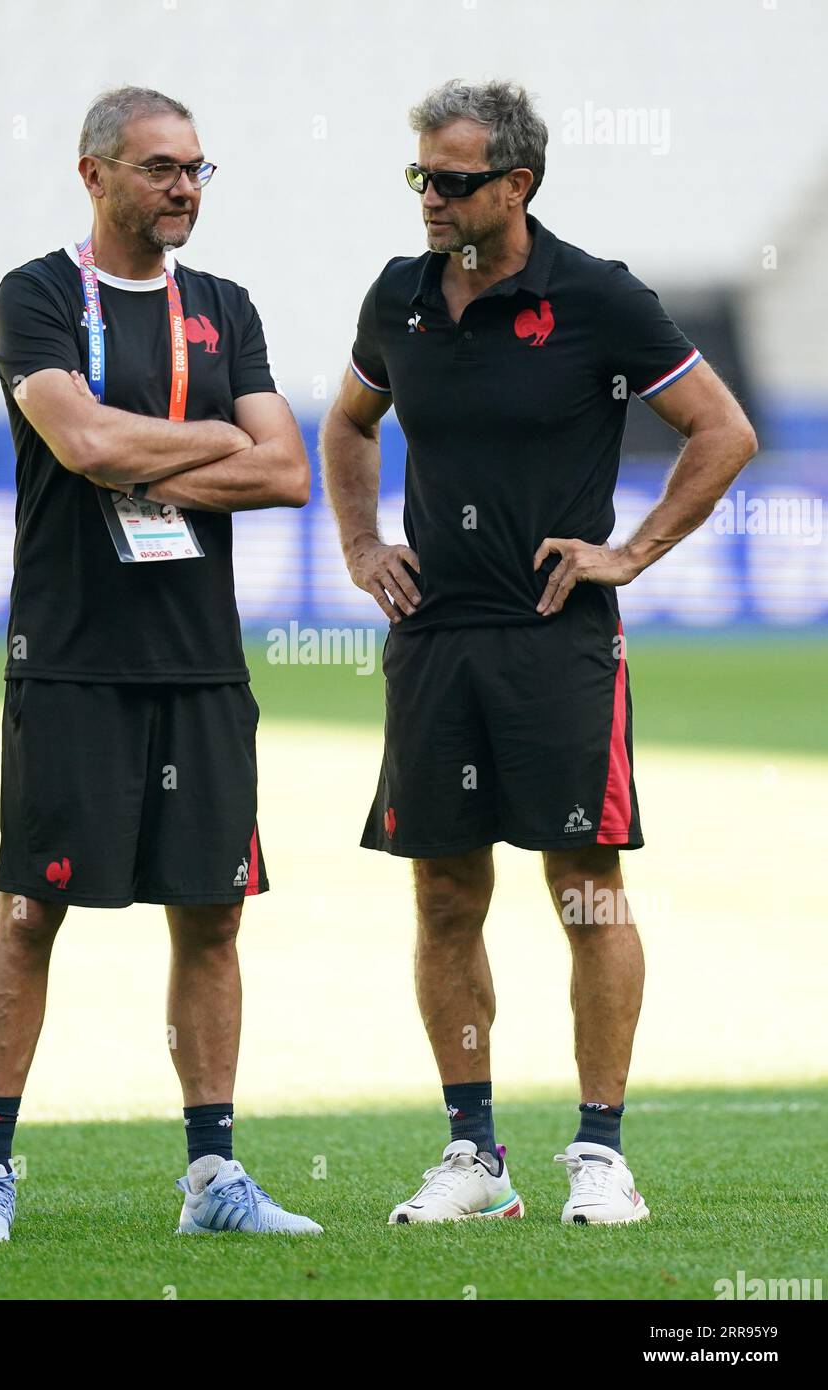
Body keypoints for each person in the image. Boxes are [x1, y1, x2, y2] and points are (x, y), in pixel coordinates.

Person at [321, 78, 756, 1226]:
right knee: (445, 894)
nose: (430, 197)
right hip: (433, 640)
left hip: (556, 638)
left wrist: (633, 551)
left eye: (454, 179)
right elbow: (347, 423)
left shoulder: (597, 299)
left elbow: (724, 429)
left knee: (586, 891)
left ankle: (600, 1155)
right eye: (419, 175)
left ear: (516, 184)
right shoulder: (398, 297)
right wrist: (362, 542)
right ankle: (475, 1156)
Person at [0, 86, 320, 1241]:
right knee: (29, 908)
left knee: (213, 915)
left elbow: (289, 471)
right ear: (94, 174)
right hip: (70, 656)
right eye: (160, 167)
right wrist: (211, 442)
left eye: (198, 168)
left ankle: (212, 1178)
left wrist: (148, 463)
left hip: (201, 662)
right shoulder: (40, 294)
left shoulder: (225, 307)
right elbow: (83, 440)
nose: (183, 188)